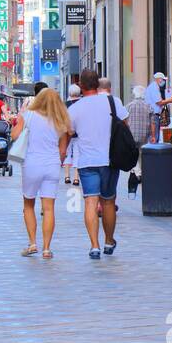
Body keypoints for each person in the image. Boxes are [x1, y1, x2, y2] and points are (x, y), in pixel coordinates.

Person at [69, 69, 128, 260]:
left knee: (90, 202)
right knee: (109, 202)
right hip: (109, 160)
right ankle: (109, 241)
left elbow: (69, 132)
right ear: (97, 84)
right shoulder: (113, 101)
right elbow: (125, 125)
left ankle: (94, 246)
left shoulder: (74, 109)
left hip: (86, 162)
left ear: (81, 86)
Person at [8, 88, 71, 259]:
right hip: (52, 164)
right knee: (49, 208)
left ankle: (32, 243)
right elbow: (63, 151)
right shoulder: (61, 120)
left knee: (28, 205)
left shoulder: (28, 115)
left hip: (32, 163)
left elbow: (14, 135)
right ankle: (47, 249)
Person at [125, 85, 150, 198]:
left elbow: (124, 120)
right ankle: (141, 173)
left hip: (132, 134)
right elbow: (153, 121)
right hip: (144, 134)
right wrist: (153, 134)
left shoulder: (129, 106)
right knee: (141, 154)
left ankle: (136, 173)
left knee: (133, 155)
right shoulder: (148, 106)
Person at [143, 71, 172, 144]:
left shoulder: (153, 87)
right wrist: (170, 100)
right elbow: (158, 102)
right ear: (159, 79)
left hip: (154, 115)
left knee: (155, 136)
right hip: (154, 115)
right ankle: (154, 153)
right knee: (155, 137)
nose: (164, 81)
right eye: (163, 80)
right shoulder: (154, 87)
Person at [63, 83, 82, 187]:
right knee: (78, 155)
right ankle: (76, 178)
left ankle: (66, 176)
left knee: (67, 153)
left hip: (67, 133)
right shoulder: (82, 103)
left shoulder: (65, 104)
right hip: (79, 133)